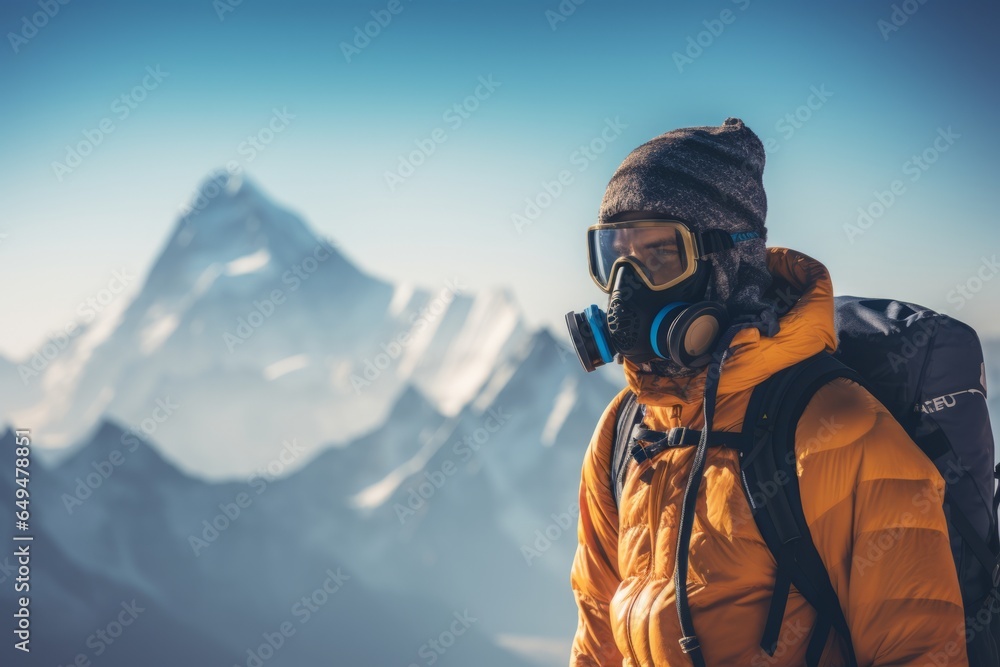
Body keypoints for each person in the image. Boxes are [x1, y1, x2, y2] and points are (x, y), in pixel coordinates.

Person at [566, 118, 968, 666]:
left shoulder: (841, 427)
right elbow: (597, 634)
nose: (626, 288)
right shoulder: (625, 428)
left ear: (729, 262)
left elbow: (920, 651)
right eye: (614, 255)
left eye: (661, 253)